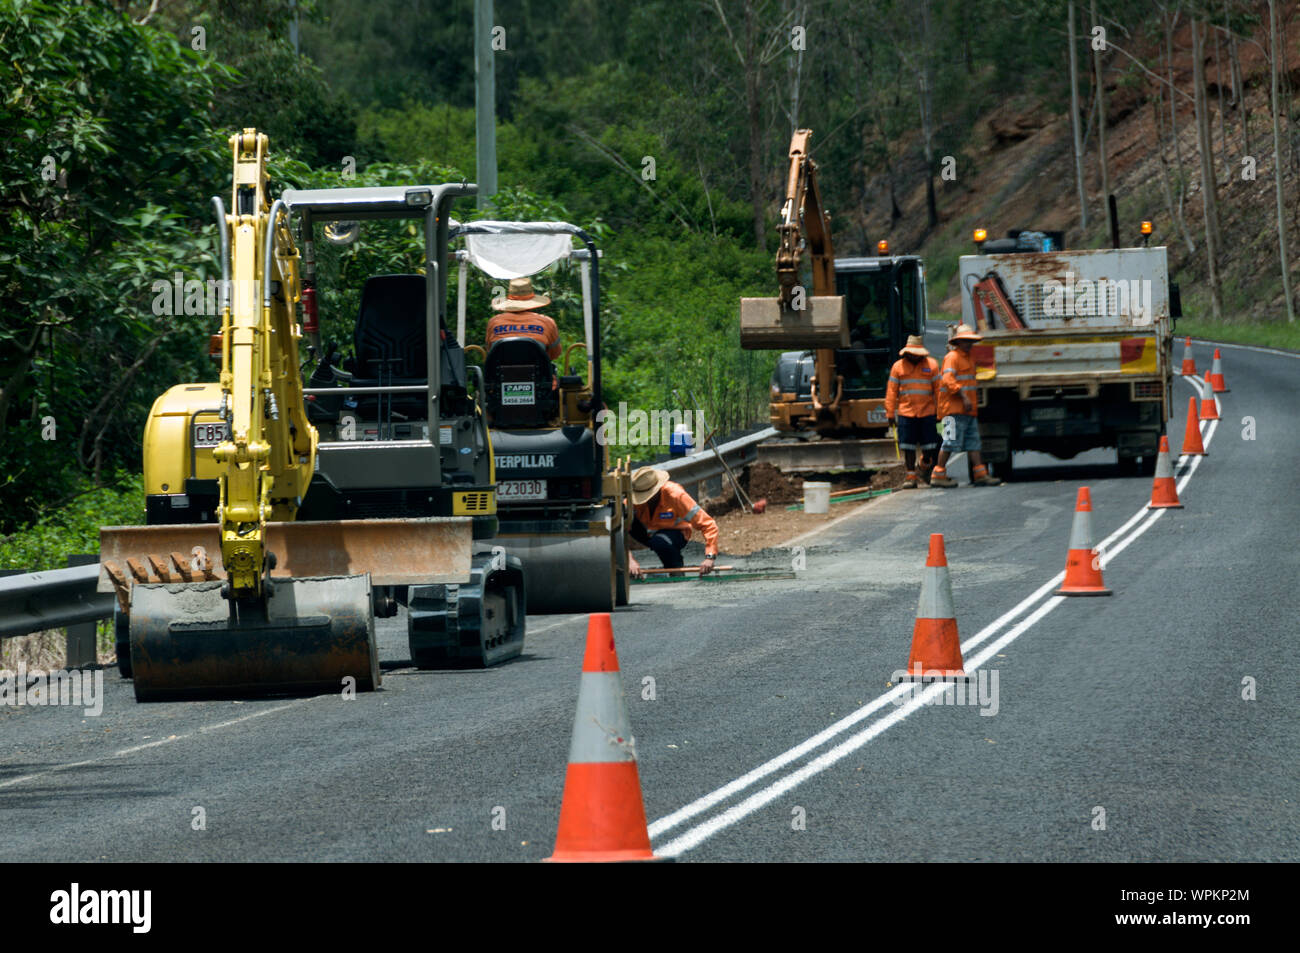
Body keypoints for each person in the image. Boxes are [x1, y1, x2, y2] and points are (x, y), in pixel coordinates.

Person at [929, 324, 1003, 488]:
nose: (968, 343)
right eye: (965, 340)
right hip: (952, 411)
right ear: (958, 342)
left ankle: (980, 475)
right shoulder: (952, 357)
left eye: (970, 340)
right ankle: (938, 474)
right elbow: (948, 380)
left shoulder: (969, 357)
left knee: (973, 443)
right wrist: (964, 397)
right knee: (949, 442)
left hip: (968, 411)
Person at [625, 466, 720, 579]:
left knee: (659, 542)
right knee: (624, 517)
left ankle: (675, 571)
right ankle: (632, 571)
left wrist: (710, 557)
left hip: (676, 533)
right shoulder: (630, 503)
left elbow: (708, 524)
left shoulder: (676, 495)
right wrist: (629, 560)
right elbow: (617, 534)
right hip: (649, 534)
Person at [884, 334, 941, 488]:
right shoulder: (898, 367)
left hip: (927, 412)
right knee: (908, 447)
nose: (914, 356)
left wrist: (940, 411)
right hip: (906, 413)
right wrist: (890, 413)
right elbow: (891, 392)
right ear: (907, 352)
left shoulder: (932, 365)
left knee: (929, 446)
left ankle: (924, 465)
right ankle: (911, 476)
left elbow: (939, 391)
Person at [486, 276, 561, 360]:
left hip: (499, 372)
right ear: (533, 301)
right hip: (539, 372)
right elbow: (555, 354)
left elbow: (490, 351)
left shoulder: (494, 322)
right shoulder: (547, 322)